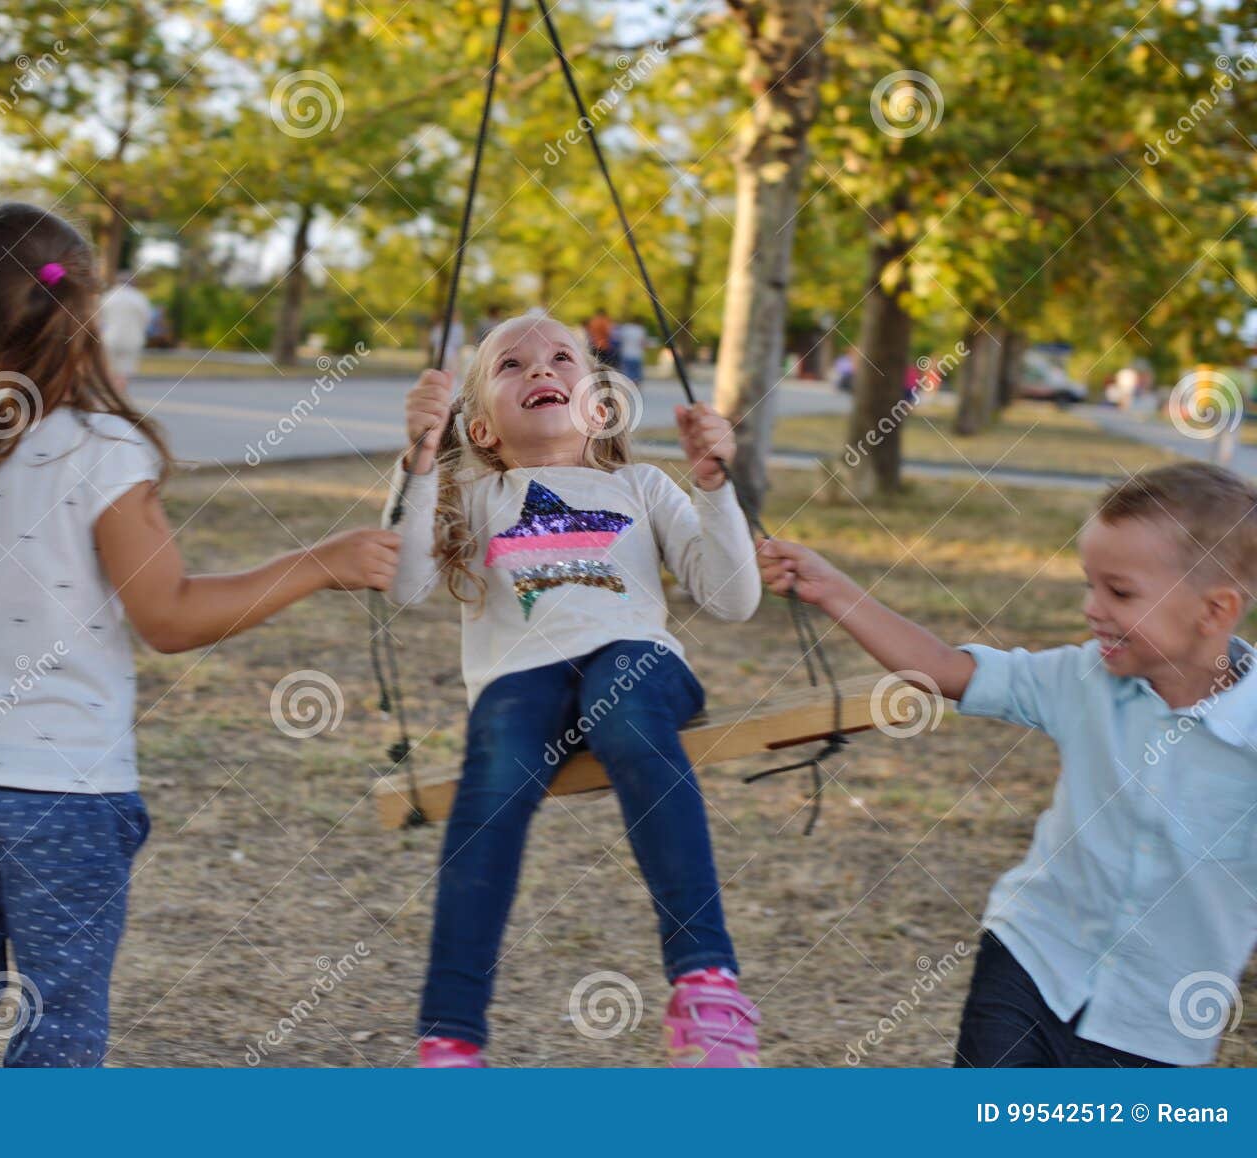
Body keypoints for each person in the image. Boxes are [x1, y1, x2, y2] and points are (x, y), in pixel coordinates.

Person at [0, 199, 400, 1068]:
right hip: (62, 788)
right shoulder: (102, 449)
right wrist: (316, 563)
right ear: (82, 305)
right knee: (59, 1021)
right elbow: (169, 616)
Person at [757, 462, 1257, 1068]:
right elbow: (945, 669)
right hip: (1033, 961)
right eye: (1088, 583)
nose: (1091, 608)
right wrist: (831, 588)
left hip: (1156, 1022)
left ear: (1215, 611)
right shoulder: (1082, 679)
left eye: (1119, 592)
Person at [384, 309, 763, 1068]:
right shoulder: (471, 492)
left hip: (635, 665)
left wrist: (717, 487)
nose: (541, 371)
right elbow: (405, 584)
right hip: (519, 683)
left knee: (620, 706)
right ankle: (450, 1037)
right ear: (483, 427)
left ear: (600, 403)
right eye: (512, 366)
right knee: (491, 782)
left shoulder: (641, 485)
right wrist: (418, 463)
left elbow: (732, 597)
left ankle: (707, 985)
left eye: (561, 358)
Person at [97, 270, 153, 387]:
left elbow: (99, 319)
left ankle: (111, 394)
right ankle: (119, 393)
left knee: (110, 369)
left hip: (110, 337)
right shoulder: (140, 298)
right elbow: (147, 319)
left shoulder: (109, 296)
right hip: (133, 339)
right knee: (124, 371)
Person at [616, 318, 647, 385]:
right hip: (637, 355)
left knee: (627, 374)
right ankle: (636, 390)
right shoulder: (640, 329)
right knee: (636, 375)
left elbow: (619, 339)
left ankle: (628, 389)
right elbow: (643, 343)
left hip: (626, 354)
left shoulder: (626, 328)